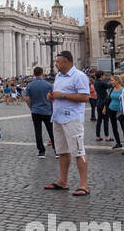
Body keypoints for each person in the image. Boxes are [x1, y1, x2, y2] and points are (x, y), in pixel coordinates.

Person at [43, 51, 91, 196]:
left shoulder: (79, 76)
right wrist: (52, 96)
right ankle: (62, 181)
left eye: (57, 61)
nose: (55, 64)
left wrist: (62, 95)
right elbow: (58, 94)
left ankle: (83, 185)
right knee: (62, 151)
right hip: (58, 117)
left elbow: (85, 97)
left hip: (72, 118)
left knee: (78, 151)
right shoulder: (58, 76)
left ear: (66, 62)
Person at [23, 66, 55, 159]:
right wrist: (52, 108)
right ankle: (56, 150)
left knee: (38, 131)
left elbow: (27, 99)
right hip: (47, 111)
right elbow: (52, 98)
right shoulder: (48, 85)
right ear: (42, 73)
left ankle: (41, 151)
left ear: (34, 74)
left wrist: (31, 107)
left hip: (35, 111)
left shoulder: (30, 85)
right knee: (51, 131)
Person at [104, 74, 123, 149]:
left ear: (117, 81)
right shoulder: (112, 89)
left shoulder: (123, 90)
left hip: (120, 111)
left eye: (112, 80)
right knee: (114, 127)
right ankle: (118, 143)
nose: (110, 82)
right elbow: (108, 99)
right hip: (111, 109)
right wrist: (105, 108)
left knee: (123, 127)